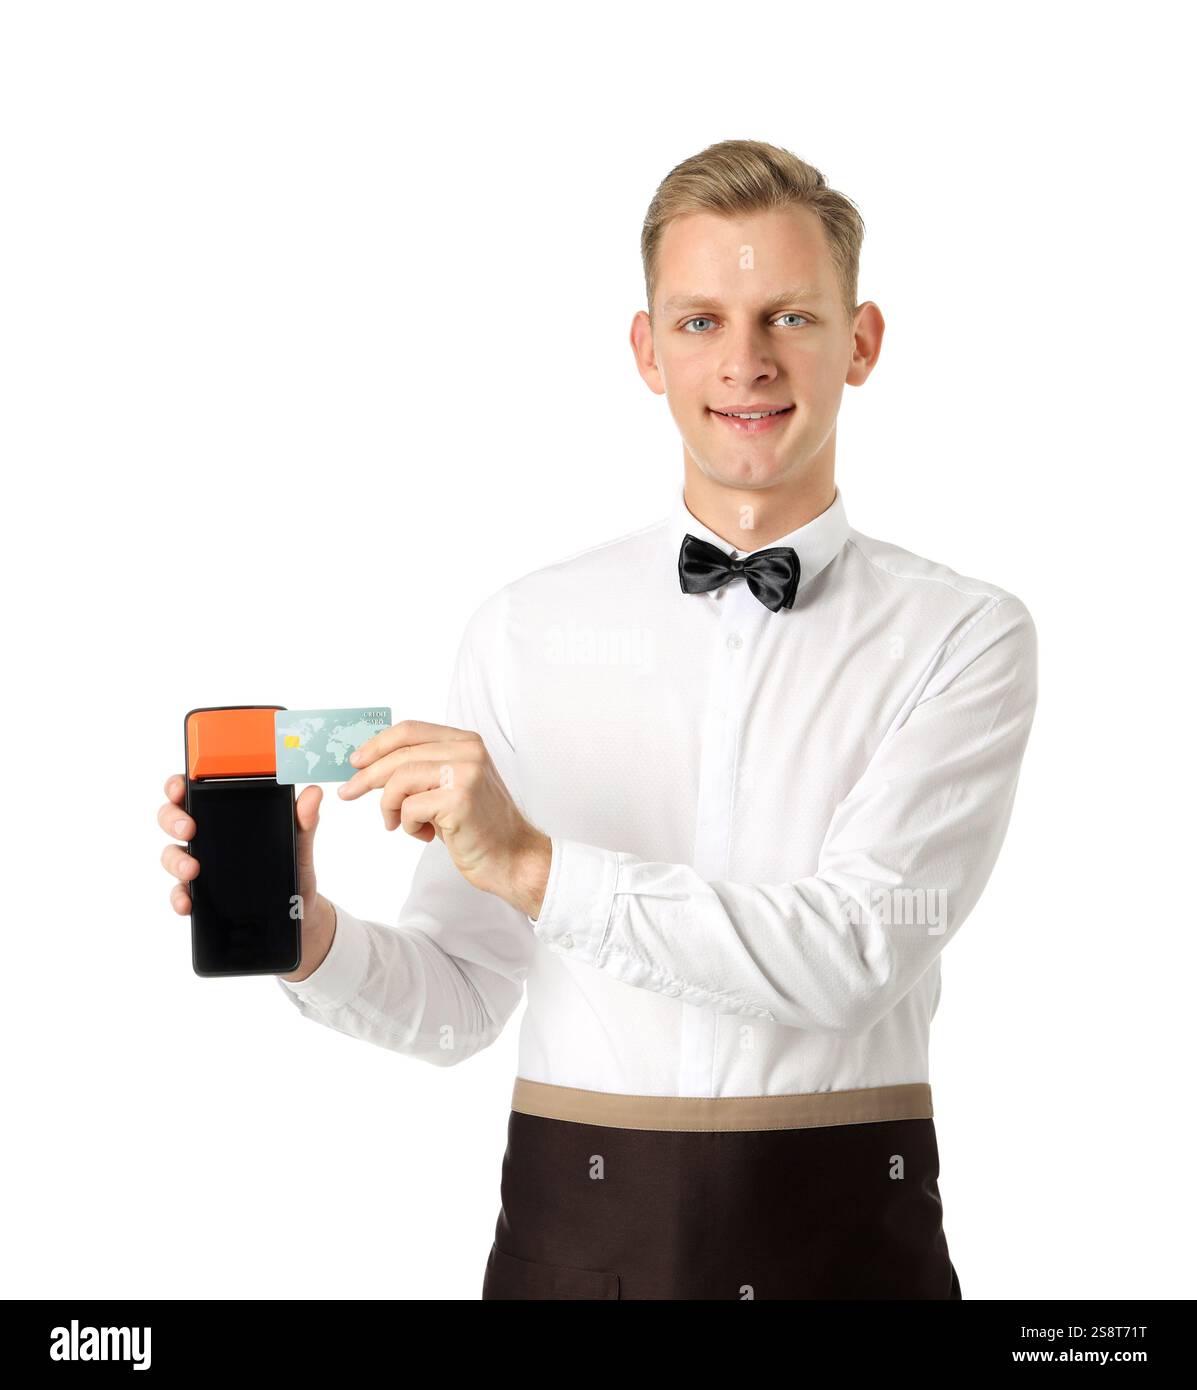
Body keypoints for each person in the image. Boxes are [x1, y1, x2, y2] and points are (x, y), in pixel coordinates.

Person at [157, 138, 1037, 1300]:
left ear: (861, 341)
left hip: (851, 1251)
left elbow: (854, 954)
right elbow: (462, 999)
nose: (746, 363)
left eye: (789, 317)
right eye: (700, 322)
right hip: (574, 1250)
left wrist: (534, 863)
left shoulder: (964, 634)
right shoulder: (525, 630)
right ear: (646, 349)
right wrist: (308, 930)